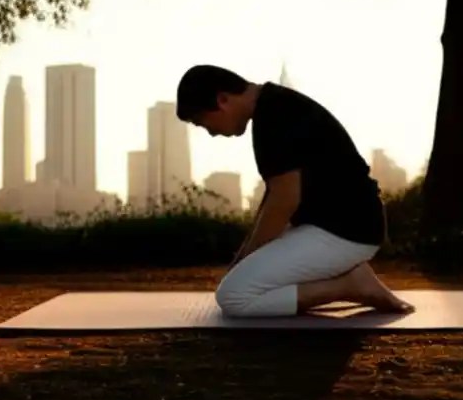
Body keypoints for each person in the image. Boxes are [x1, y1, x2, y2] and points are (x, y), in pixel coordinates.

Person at [175, 64, 415, 318]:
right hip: (337, 225)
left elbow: (285, 200)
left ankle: (349, 285)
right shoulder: (274, 107)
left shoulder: (275, 116)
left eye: (203, 123)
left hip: (345, 232)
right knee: (241, 280)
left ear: (222, 99)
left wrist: (244, 262)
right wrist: (243, 259)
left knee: (234, 296)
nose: (211, 133)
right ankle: (350, 276)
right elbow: (274, 199)